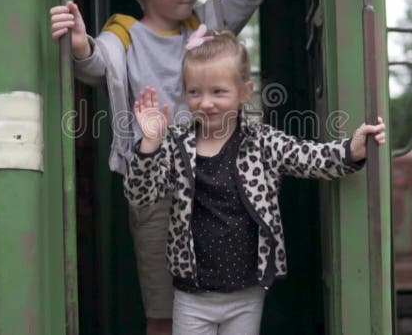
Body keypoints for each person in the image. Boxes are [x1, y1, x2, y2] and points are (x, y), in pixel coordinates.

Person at [49, 0, 268, 335]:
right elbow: (95, 65)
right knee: (163, 308)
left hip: (211, 184)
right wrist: (78, 44)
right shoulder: (124, 34)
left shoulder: (203, 25)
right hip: (156, 189)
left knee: (219, 297)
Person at [125, 30, 386, 335]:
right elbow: (141, 194)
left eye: (218, 92)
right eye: (195, 92)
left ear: (244, 92)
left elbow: (308, 157)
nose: (206, 103)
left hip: (246, 293)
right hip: (192, 294)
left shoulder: (261, 142)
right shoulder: (176, 143)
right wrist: (150, 143)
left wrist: (349, 151)